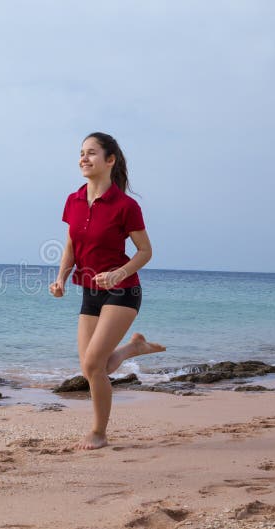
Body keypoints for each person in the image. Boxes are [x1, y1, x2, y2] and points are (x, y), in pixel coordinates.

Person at [49, 132, 166, 450]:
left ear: (110, 160)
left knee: (91, 365)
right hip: (89, 291)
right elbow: (71, 243)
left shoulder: (126, 205)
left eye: (91, 153)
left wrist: (119, 273)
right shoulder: (73, 200)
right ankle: (133, 349)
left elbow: (145, 251)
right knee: (92, 366)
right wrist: (61, 277)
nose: (83, 158)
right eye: (81, 153)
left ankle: (98, 432)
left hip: (123, 291)